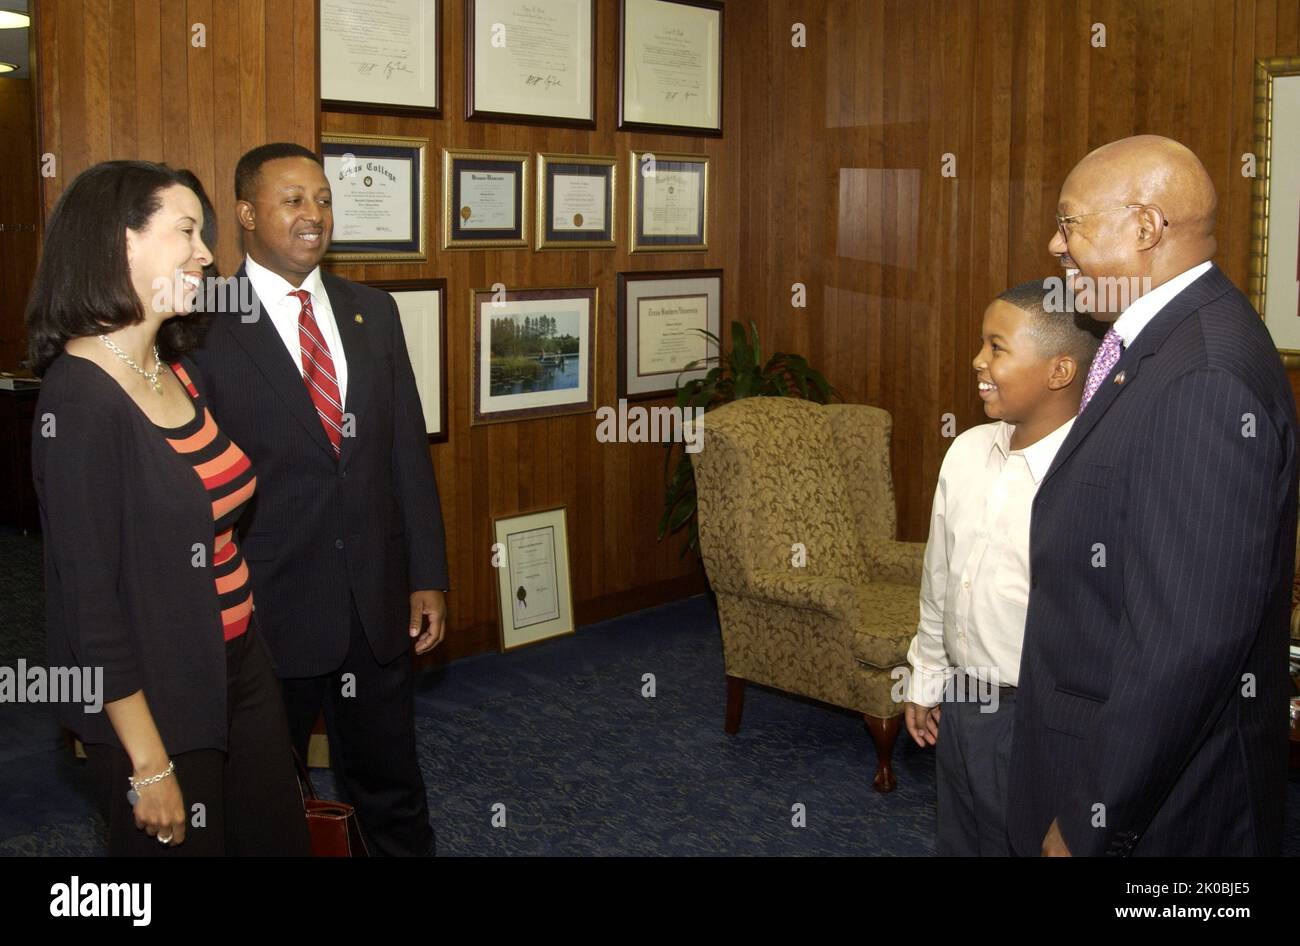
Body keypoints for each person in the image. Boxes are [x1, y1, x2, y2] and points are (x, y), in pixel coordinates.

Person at [1007, 134, 1299, 856]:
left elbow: (1185, 645)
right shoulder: (1156, 341)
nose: (1054, 243)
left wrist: (1087, 821)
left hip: (1166, 805)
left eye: (1070, 222)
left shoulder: (1202, 376)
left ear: (1144, 227)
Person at [27, 160, 309, 856]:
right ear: (120, 243)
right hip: (156, 692)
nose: (206, 253)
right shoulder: (80, 400)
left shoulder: (175, 368)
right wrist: (149, 763)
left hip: (238, 663)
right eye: (186, 230)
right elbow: (91, 606)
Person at [189, 143, 450, 857]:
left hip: (376, 602)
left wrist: (426, 573)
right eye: (294, 200)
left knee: (391, 789)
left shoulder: (374, 311)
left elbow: (405, 453)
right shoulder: (202, 325)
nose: (315, 215)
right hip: (269, 611)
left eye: (324, 199)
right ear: (245, 213)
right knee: (269, 803)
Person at [902, 281, 1104, 855]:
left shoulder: (1090, 478)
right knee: (960, 838)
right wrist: (926, 675)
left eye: (997, 348)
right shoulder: (966, 452)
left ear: (1059, 370)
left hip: (1037, 718)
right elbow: (939, 580)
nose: (978, 361)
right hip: (964, 704)